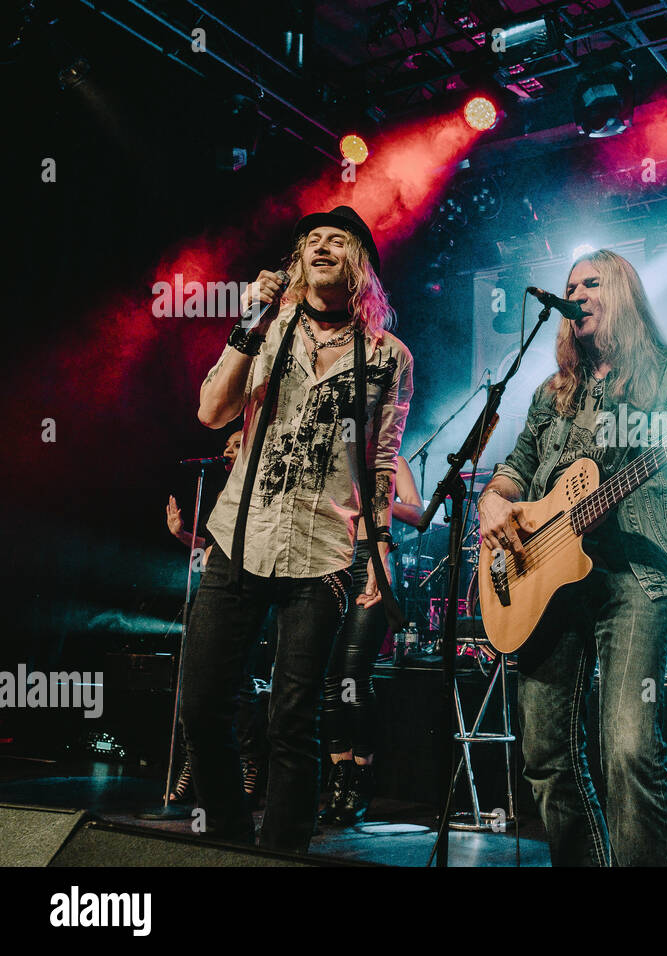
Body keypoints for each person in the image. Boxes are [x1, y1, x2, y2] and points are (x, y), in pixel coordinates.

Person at [477, 249, 667, 866]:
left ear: (624, 294)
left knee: (628, 745)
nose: (577, 293)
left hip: (637, 573)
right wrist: (492, 503)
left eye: (592, 283)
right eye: (570, 286)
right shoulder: (553, 392)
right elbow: (514, 471)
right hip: (545, 577)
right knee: (543, 754)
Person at [182, 205, 413, 853]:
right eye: (312, 239)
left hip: (323, 549)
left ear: (358, 264)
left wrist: (378, 552)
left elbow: (381, 462)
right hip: (240, 536)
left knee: (293, 719)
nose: (322, 245)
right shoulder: (270, 328)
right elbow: (211, 410)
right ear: (296, 262)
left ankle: (281, 855)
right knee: (201, 705)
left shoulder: (387, 358)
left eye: (337, 240)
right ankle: (230, 840)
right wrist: (246, 323)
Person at [318, 455, 424, 826]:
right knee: (329, 678)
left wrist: (378, 502)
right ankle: (340, 776)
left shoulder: (393, 460)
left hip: (370, 557)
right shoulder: (335, 453)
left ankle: (362, 775)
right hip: (329, 560)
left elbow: (418, 513)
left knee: (351, 673)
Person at [164, 429, 269, 804]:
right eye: (225, 445)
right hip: (213, 586)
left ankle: (249, 762)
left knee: (236, 682)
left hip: (244, 589)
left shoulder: (262, 487)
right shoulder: (225, 492)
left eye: (235, 443)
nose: (226, 449)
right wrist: (181, 536)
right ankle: (198, 761)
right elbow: (211, 546)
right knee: (199, 677)